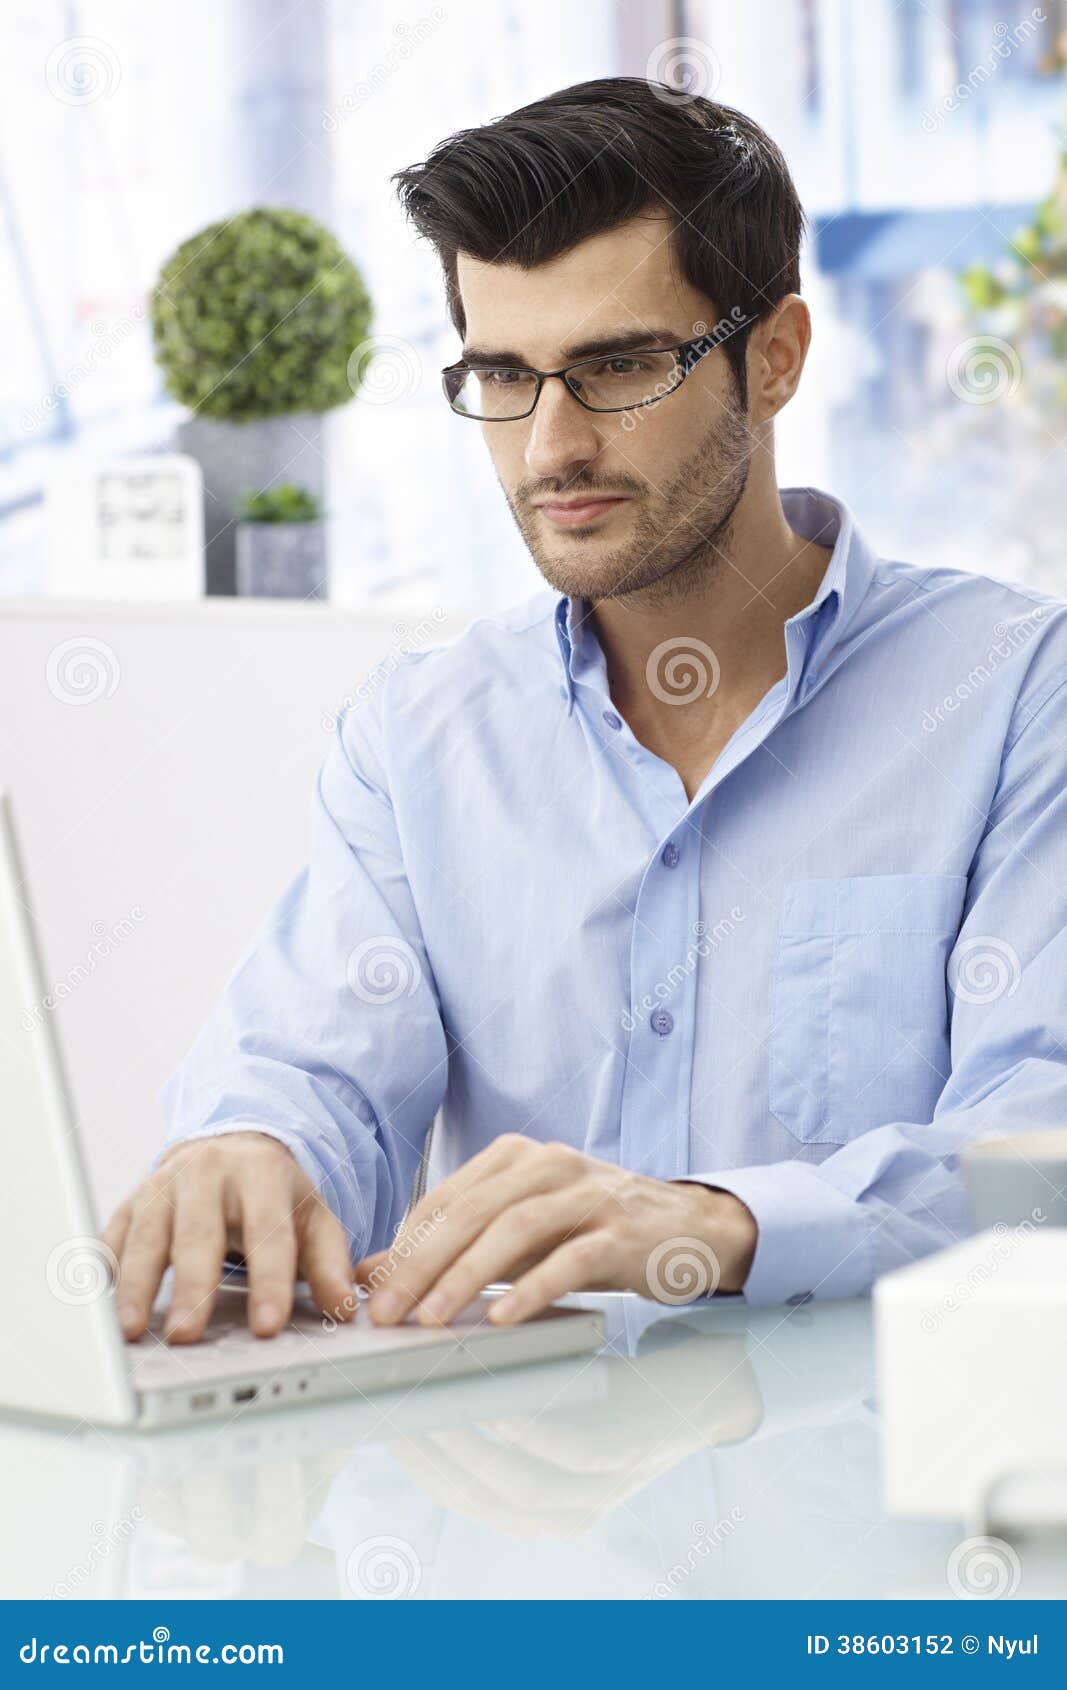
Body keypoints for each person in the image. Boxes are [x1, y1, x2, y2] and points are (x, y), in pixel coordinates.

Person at [105, 78, 1067, 1344]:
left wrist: (714, 1222)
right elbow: (308, 1063)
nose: (549, 445)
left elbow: (1034, 1164)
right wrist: (247, 1153)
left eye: (615, 366)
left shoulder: (1010, 693)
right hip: (504, 1509)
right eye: (502, 375)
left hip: (897, 1504)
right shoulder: (417, 737)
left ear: (771, 358)